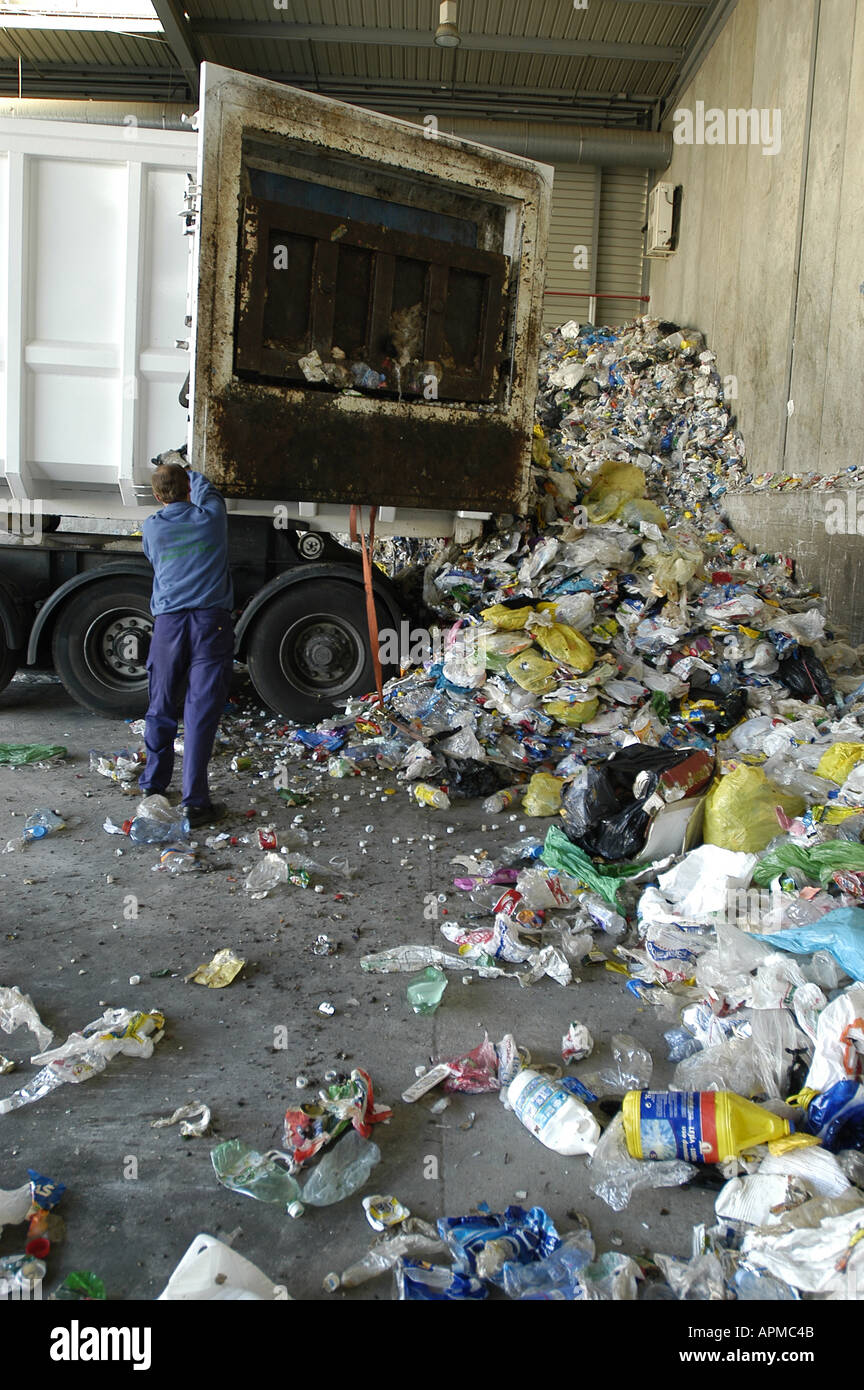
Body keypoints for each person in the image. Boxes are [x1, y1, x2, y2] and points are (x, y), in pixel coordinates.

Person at [138, 455, 234, 826]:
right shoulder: (211, 518)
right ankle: (196, 803)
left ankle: (153, 785)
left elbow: (154, 560)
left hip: (169, 625)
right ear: (186, 490)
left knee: (161, 703)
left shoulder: (153, 528)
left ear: (158, 497)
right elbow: (208, 490)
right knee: (200, 711)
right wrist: (189, 468)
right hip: (212, 624)